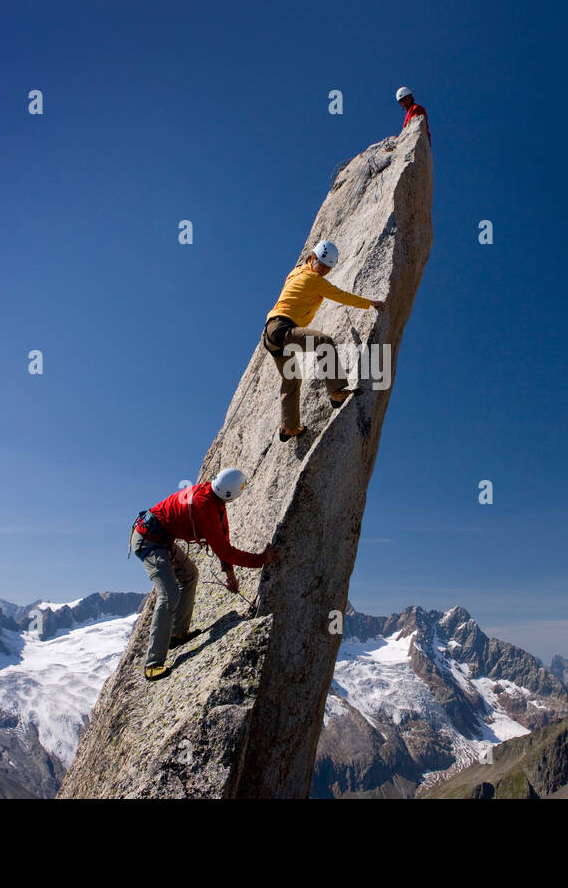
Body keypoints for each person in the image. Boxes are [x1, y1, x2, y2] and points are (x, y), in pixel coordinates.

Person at [129, 467, 278, 680]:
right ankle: (153, 664)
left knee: (190, 575)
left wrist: (230, 575)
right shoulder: (205, 507)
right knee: (169, 594)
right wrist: (261, 559)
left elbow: (223, 541)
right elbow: (225, 550)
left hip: (160, 538)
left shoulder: (213, 498)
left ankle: (177, 634)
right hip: (149, 541)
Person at [261, 240, 385, 441]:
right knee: (323, 342)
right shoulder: (313, 279)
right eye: (323, 265)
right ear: (313, 258)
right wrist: (370, 303)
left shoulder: (297, 272)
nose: (325, 270)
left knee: (292, 378)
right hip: (281, 328)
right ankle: (336, 391)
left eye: (329, 267)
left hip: (270, 335)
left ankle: (289, 427)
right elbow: (341, 296)